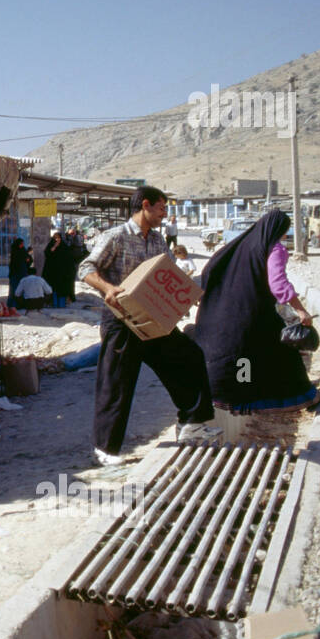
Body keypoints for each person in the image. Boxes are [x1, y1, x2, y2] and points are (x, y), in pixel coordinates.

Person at [78, 186, 222, 466]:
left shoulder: (157, 241)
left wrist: (182, 298)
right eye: (161, 208)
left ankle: (191, 424)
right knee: (117, 382)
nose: (164, 214)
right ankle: (105, 449)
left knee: (189, 356)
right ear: (145, 205)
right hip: (120, 320)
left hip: (153, 318)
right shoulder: (115, 237)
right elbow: (86, 268)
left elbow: (167, 275)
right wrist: (108, 288)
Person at [195, 209, 319, 414]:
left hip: (226, 317)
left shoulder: (238, 246)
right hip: (252, 316)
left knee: (243, 361)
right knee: (281, 356)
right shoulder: (274, 248)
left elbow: (209, 272)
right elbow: (278, 284)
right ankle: (301, 398)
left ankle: (235, 400)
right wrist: (301, 310)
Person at [43, 231, 75, 308]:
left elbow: (69, 259)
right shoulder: (51, 246)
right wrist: (54, 246)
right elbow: (47, 253)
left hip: (62, 274)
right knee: (53, 289)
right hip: (53, 273)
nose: (57, 240)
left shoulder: (64, 247)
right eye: (55, 238)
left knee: (62, 289)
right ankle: (54, 304)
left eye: (58, 238)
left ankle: (62, 304)